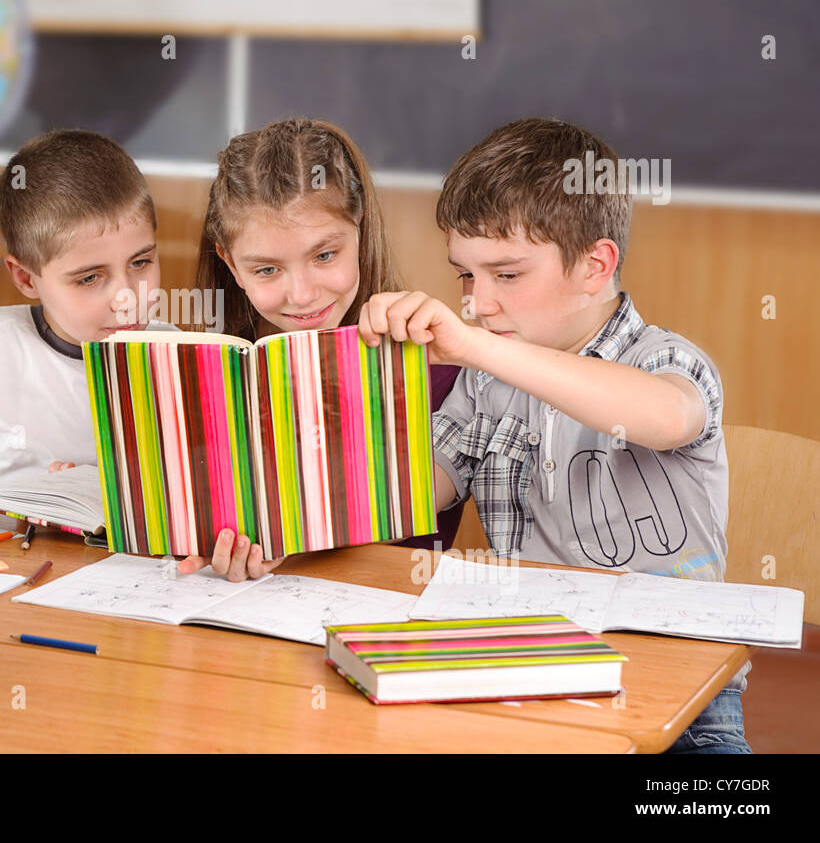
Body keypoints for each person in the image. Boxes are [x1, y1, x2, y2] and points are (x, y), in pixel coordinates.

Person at [359, 117, 748, 753]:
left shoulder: (665, 362)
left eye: (506, 275)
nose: (478, 304)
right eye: (465, 276)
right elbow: (407, 490)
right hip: (528, 665)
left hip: (676, 690)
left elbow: (666, 416)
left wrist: (474, 349)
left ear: (596, 266)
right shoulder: (484, 381)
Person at [184, 118, 462, 581]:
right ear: (231, 265)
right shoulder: (207, 375)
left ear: (360, 230)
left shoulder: (436, 369)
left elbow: (400, 505)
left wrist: (285, 542)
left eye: (324, 256)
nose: (303, 294)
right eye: (267, 270)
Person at [0, 129, 167, 497]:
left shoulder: (176, 355)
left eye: (141, 262)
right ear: (26, 278)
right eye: (90, 278)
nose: (127, 298)